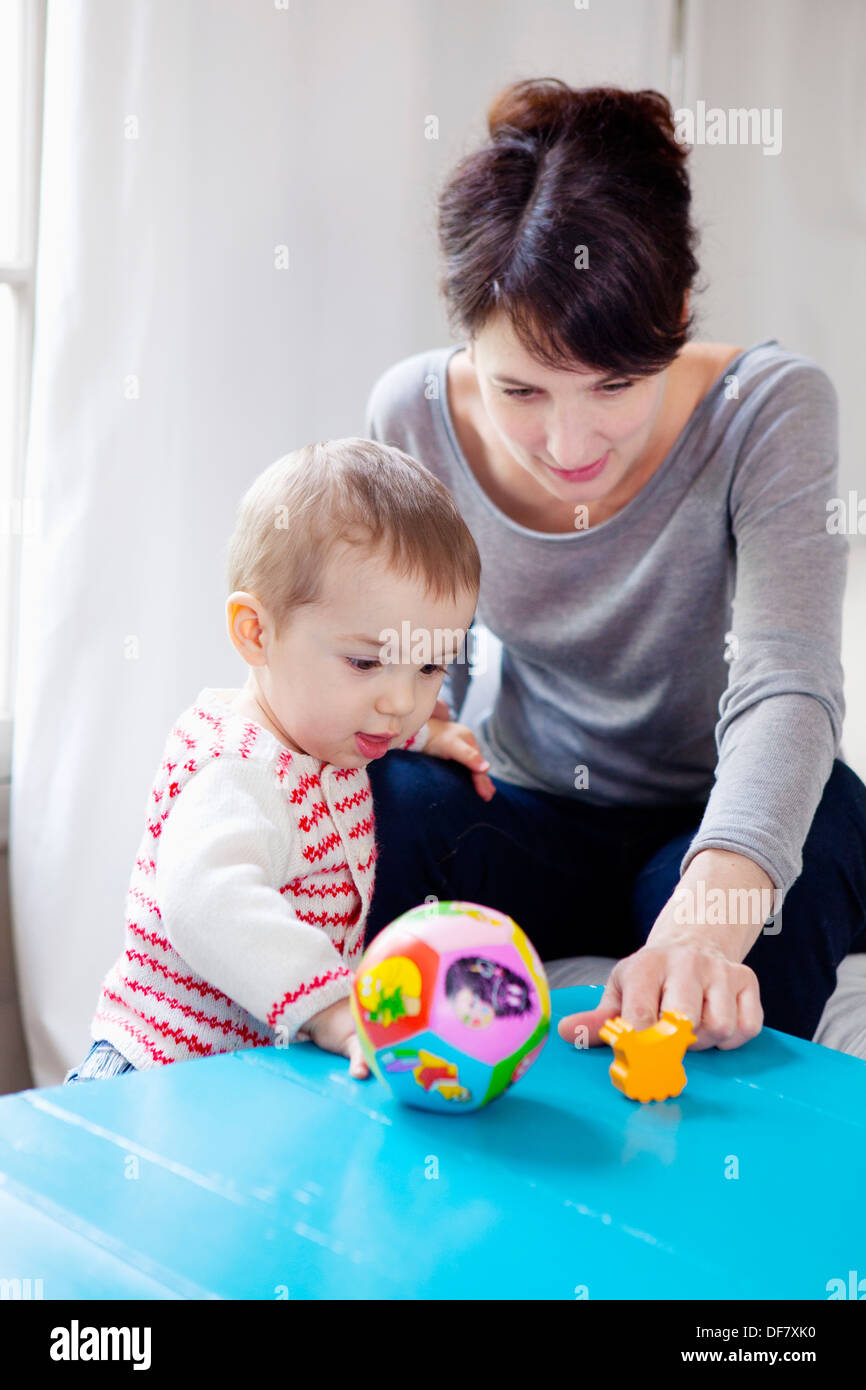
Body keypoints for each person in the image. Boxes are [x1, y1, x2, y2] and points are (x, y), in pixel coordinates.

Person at [362, 78, 866, 1053]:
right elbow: (418, 668)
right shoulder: (413, 413)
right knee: (383, 800)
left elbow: (786, 682)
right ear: (466, 335)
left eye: (615, 384)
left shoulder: (769, 408)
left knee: (826, 817)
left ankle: (709, 1182)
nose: (565, 440)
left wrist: (697, 927)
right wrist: (404, 717)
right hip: (526, 807)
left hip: (701, 810)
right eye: (519, 388)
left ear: (675, 314)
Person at [64, 438, 492, 1084]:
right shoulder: (241, 771)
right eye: (366, 662)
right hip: (160, 1076)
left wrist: (423, 740)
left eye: (430, 665)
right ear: (256, 633)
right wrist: (329, 1001)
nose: (401, 701)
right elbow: (206, 899)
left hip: (241, 1072)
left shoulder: (326, 730)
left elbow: (380, 717)